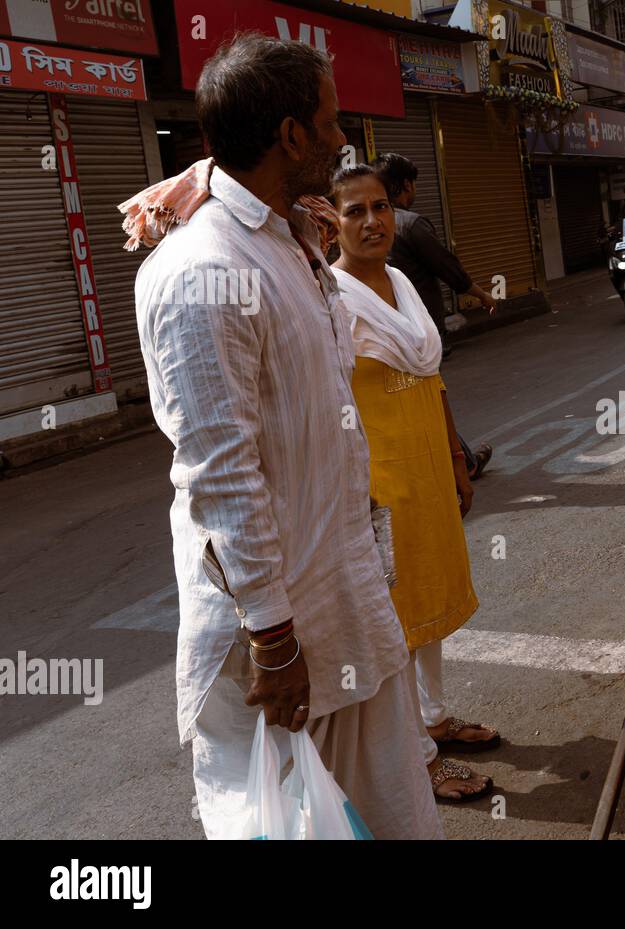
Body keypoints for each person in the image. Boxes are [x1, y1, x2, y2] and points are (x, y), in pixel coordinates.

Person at [126, 33, 439, 838]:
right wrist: (272, 637)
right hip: (280, 644)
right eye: (331, 122)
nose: (343, 140)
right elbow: (221, 473)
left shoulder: (294, 242)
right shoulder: (203, 271)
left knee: (390, 809)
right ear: (292, 136)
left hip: (345, 605)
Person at [329, 164, 501, 803]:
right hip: (380, 481)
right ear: (333, 221)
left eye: (380, 207)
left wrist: (457, 458)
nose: (373, 221)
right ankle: (417, 758)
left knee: (429, 601)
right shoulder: (332, 300)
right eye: (355, 211)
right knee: (395, 619)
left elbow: (434, 379)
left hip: (429, 464)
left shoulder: (401, 280)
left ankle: (432, 717)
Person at [371, 152, 495, 478]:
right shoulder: (410, 224)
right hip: (418, 331)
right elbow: (448, 268)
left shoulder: (362, 228)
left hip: (379, 333)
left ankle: (455, 458)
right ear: (405, 185)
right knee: (428, 393)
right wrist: (481, 294)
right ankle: (462, 461)